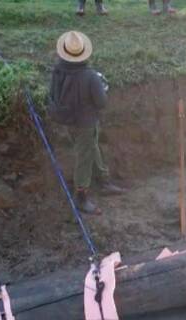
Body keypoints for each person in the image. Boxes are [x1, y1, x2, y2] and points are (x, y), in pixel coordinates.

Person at [48, 31, 126, 215]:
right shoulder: (90, 76)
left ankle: (103, 180)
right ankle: (81, 197)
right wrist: (102, 88)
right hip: (85, 122)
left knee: (91, 147)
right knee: (84, 157)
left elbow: (52, 94)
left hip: (67, 120)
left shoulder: (58, 71)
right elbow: (101, 102)